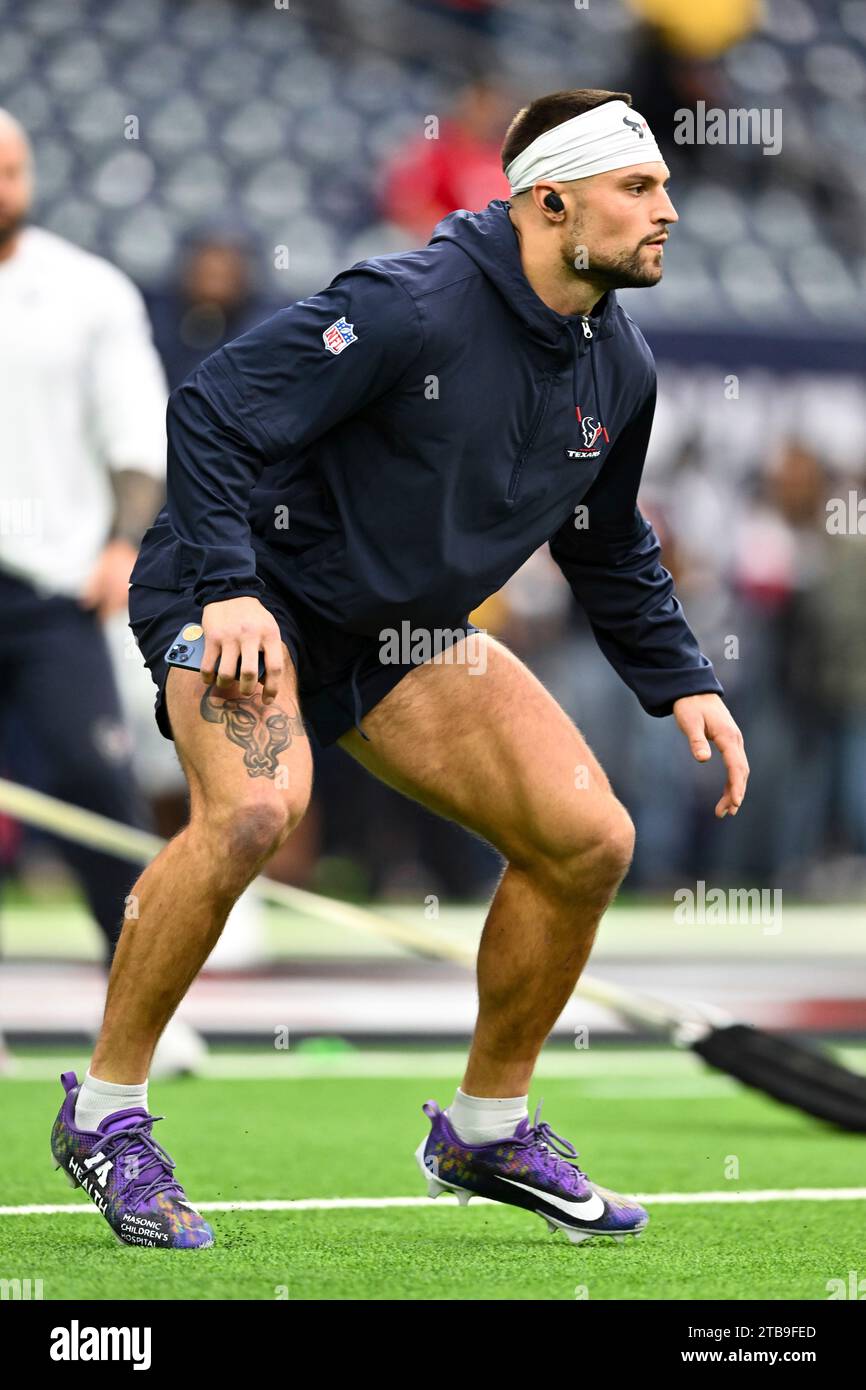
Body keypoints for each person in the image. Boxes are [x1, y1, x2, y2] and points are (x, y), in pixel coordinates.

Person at [51, 88, 749, 1250]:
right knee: (255, 812)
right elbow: (215, 411)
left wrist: (680, 677)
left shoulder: (616, 362)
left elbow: (604, 536)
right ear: (548, 201)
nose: (665, 210)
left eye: (665, 188)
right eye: (638, 189)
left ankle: (485, 1128)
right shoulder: (410, 302)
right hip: (243, 589)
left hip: (398, 627)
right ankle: (108, 1113)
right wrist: (226, 582)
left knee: (590, 840)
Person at [0, 109, 203, 1078]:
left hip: (52, 592)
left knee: (95, 795)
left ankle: (148, 1015)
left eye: (12, 169)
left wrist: (123, 540)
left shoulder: (87, 290)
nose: (5, 186)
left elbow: (135, 434)